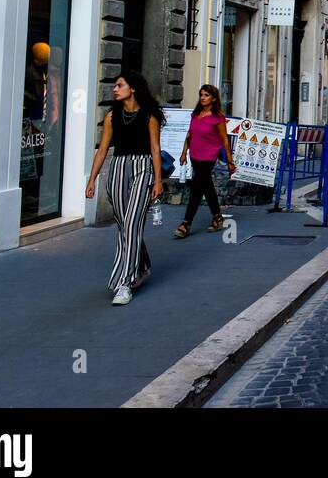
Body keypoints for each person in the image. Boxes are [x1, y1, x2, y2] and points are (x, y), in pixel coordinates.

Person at [85, 71, 165, 306]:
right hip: (118, 169)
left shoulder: (150, 116)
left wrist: (158, 181)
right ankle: (143, 266)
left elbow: (155, 149)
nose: (115, 89)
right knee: (124, 225)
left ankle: (125, 282)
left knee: (131, 224)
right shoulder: (112, 116)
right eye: (115, 85)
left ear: (133, 89)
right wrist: (92, 180)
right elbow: (102, 150)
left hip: (143, 168)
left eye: (120, 85)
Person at [175, 85, 236, 239]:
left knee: (197, 186)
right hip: (194, 154)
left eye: (206, 95)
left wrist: (230, 161)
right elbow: (190, 134)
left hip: (209, 155)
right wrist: (183, 152)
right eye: (201, 94)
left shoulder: (218, 117)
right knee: (206, 186)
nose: (202, 97)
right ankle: (217, 216)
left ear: (213, 98)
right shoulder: (196, 114)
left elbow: (224, 140)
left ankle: (186, 223)